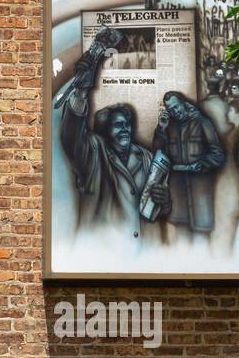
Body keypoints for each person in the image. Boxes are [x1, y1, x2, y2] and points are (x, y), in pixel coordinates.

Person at [60, 58, 170, 241]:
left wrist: (164, 201)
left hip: (145, 252)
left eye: (127, 124)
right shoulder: (93, 153)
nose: (126, 128)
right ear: (104, 130)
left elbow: (162, 209)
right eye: (118, 125)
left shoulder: (145, 157)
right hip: (103, 252)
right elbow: (71, 135)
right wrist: (81, 91)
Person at [153, 91, 226, 238]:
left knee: (202, 242)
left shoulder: (202, 123)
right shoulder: (167, 127)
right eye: (171, 110)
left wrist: (201, 165)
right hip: (178, 199)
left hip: (200, 195)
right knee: (182, 243)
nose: (175, 111)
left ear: (183, 104)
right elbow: (158, 155)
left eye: (176, 107)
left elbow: (218, 155)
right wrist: (161, 130)